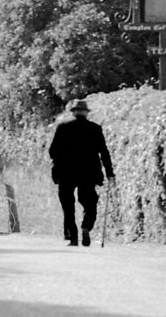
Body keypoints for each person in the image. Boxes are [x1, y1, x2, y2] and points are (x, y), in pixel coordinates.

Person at [48, 99, 115, 247]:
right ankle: (86, 227)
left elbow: (53, 151)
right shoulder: (95, 129)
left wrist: (60, 163)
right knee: (90, 202)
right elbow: (104, 153)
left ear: (73, 112)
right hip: (88, 172)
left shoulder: (63, 128)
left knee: (68, 205)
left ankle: (73, 237)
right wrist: (110, 173)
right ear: (85, 113)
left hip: (66, 173)